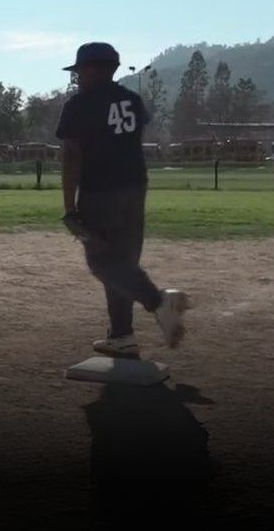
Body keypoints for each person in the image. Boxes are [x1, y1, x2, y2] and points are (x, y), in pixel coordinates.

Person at [56, 42, 191, 358]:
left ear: (93, 69)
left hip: (100, 190)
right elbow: (133, 143)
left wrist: (69, 207)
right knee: (123, 263)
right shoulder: (133, 100)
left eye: (80, 71)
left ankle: (159, 301)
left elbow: (71, 156)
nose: (77, 78)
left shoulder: (79, 104)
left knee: (102, 262)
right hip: (134, 187)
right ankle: (122, 334)